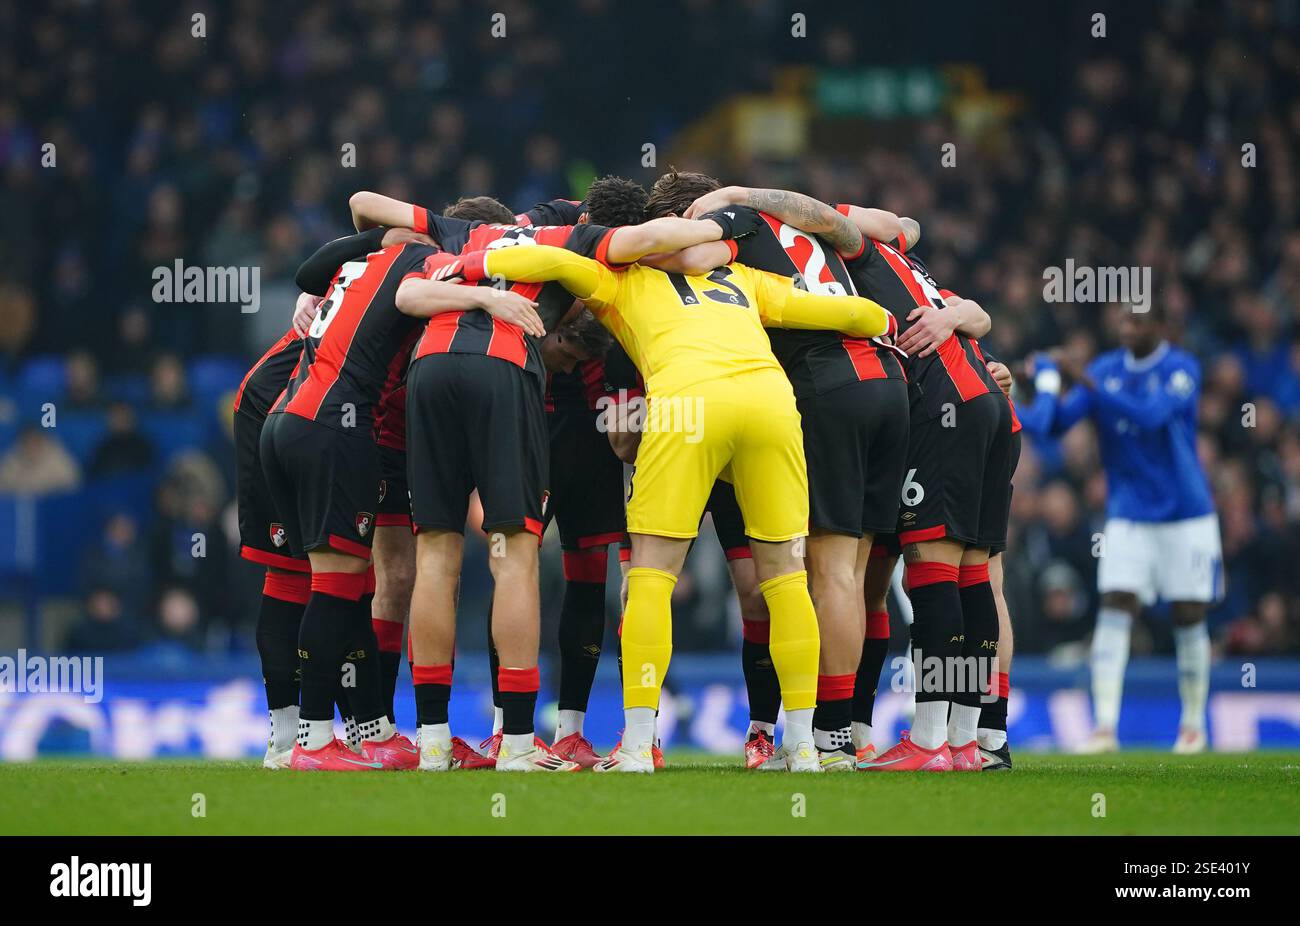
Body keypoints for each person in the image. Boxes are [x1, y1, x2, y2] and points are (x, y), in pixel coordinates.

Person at [447, 228, 897, 772]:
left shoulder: (620, 279)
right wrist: (886, 319)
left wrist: (470, 264)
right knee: (786, 580)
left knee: (652, 579)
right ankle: (803, 745)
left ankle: (638, 745)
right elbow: (854, 315)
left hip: (687, 405)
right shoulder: (745, 278)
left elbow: (547, 258)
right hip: (771, 407)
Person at [1019, 304, 1221, 753]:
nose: (1126, 329)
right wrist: (1043, 382)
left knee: (1188, 612)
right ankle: (1104, 728)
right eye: (1122, 321)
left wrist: (1084, 378)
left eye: (1136, 321)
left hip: (1185, 512)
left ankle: (1192, 724)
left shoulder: (1181, 368)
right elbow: (1053, 425)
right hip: (1128, 513)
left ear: (1159, 325)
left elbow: (1150, 415)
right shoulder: (1105, 369)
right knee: (1115, 604)